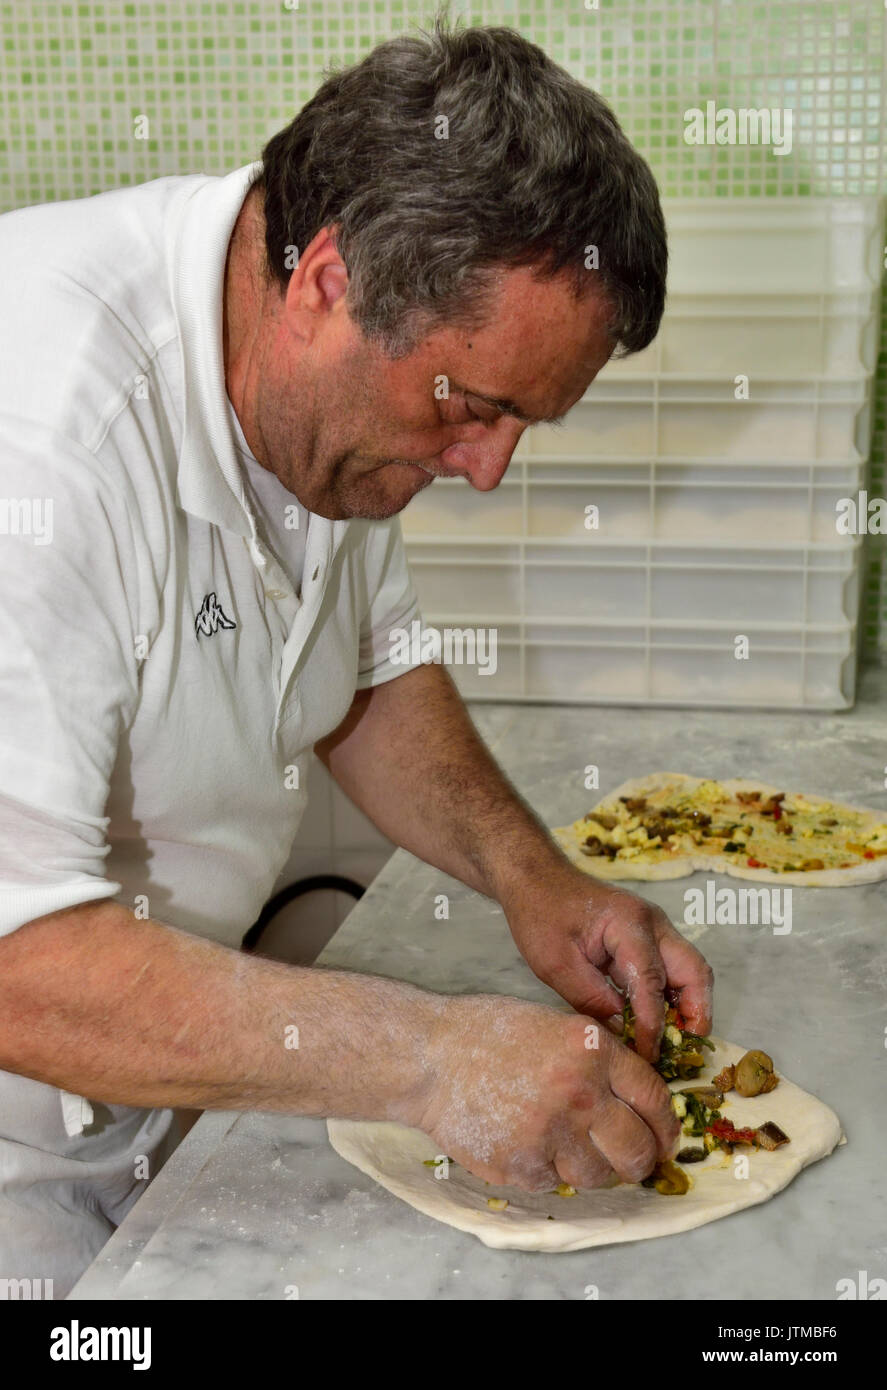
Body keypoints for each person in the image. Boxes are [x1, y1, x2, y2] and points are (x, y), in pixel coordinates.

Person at [0, 17, 711, 1296]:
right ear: (327, 282)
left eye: (521, 425)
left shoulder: (316, 406)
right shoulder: (40, 433)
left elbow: (369, 668)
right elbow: (18, 964)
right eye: (476, 406)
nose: (485, 471)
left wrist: (531, 879)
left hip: (152, 1082)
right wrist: (433, 1058)